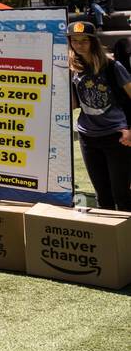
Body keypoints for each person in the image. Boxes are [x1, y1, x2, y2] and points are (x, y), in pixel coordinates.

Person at [67, 20, 131, 210]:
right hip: (88, 137)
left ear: (93, 42)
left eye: (84, 40)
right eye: (74, 40)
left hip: (116, 137)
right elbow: (73, 103)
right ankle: (110, 238)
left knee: (121, 194)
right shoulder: (72, 68)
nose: (79, 45)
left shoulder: (112, 67)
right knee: (102, 195)